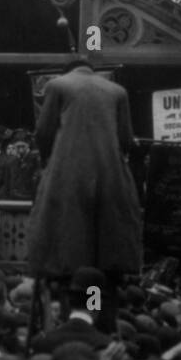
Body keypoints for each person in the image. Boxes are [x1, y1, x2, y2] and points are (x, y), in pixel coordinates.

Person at [27, 57, 142, 286]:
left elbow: (43, 132)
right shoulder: (118, 91)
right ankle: (97, 301)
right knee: (108, 231)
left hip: (68, 167)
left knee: (66, 227)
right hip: (110, 171)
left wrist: (49, 161)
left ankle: (74, 297)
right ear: (93, 70)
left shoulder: (58, 85)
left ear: (66, 71)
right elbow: (126, 139)